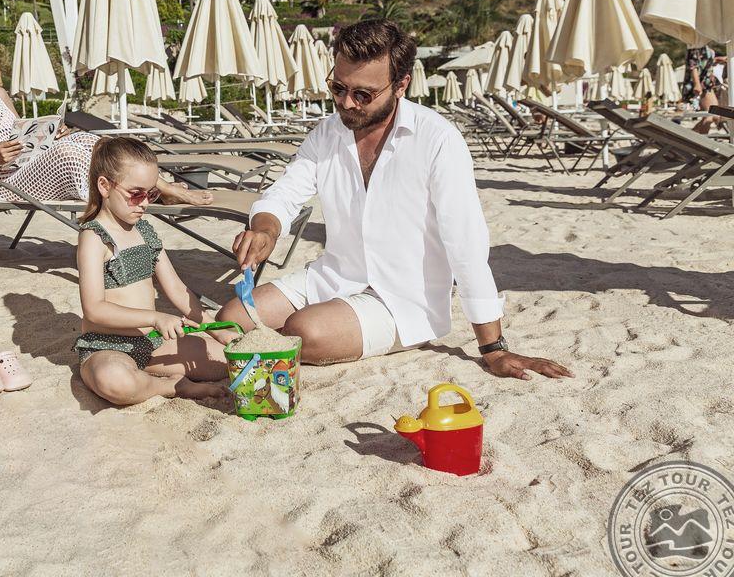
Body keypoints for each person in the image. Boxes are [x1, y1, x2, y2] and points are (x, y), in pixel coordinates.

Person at [215, 20, 572, 381]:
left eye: (363, 94)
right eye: (338, 87)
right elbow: (285, 192)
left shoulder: (437, 139)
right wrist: (266, 230)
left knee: (304, 331)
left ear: (401, 85)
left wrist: (493, 348)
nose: (346, 102)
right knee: (231, 318)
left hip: (402, 300)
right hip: (334, 275)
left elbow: (465, 242)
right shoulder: (327, 133)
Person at [0, 26, 211, 205]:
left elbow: (25, 134)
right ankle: (141, 195)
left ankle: (155, 188)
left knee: (93, 141)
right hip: (2, 184)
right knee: (69, 154)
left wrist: (49, 134)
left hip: (33, 166)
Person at [74, 137, 228, 404]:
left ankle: (150, 377)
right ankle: (170, 386)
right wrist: (155, 317)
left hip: (152, 342)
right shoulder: (94, 237)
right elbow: (94, 309)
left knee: (225, 360)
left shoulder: (144, 231)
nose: (144, 203)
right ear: (105, 186)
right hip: (106, 346)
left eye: (151, 194)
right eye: (136, 194)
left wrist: (217, 329)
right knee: (115, 381)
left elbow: (177, 290)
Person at [683, 45, 725, 134]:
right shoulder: (695, 45)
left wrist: (716, 60)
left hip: (707, 84)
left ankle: (689, 136)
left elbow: (703, 62)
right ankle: (699, 140)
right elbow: (693, 66)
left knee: (715, 115)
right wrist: (697, 84)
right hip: (700, 84)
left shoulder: (705, 46)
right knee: (710, 115)